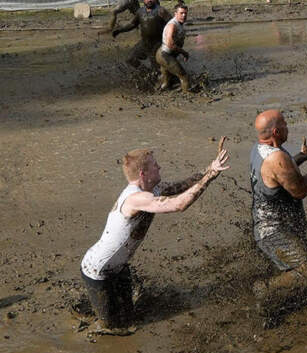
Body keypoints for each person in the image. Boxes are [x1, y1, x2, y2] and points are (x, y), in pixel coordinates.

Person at [79, 138, 232, 333]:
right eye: (154, 165)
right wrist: (210, 176)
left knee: (129, 318)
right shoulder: (136, 198)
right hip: (97, 271)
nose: (159, 167)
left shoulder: (152, 189)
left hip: (118, 267)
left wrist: (211, 168)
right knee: (113, 329)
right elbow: (179, 204)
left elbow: (184, 186)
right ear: (143, 173)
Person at [249, 109, 307, 304]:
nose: (288, 127)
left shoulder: (260, 148)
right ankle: (266, 289)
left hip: (278, 226)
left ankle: (293, 295)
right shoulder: (277, 158)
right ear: (276, 132)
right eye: (284, 124)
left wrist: (302, 156)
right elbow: (300, 190)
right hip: (274, 232)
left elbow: (279, 174)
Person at [155, 3, 197, 92]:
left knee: (166, 81)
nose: (184, 15)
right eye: (181, 13)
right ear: (175, 14)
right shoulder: (172, 25)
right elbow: (170, 44)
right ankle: (188, 96)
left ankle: (157, 93)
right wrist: (183, 52)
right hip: (164, 55)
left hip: (165, 54)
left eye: (185, 13)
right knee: (184, 76)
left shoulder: (179, 24)